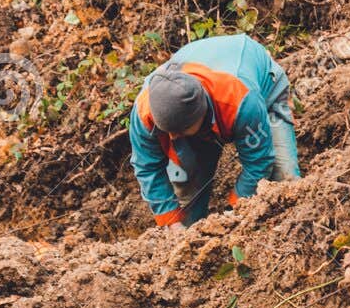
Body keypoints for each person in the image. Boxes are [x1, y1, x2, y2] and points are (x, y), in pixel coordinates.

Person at [128, 34, 301, 228]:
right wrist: (173, 225)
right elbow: (147, 168)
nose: (174, 138)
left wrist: (234, 214)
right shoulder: (145, 112)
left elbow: (259, 161)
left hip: (265, 89)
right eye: (168, 131)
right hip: (206, 82)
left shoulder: (242, 100)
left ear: (201, 114)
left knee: (284, 181)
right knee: (186, 198)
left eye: (181, 130)